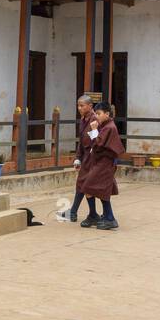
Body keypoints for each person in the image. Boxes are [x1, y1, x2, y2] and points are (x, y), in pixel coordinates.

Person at [79, 101, 124, 230]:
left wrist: (93, 129)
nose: (97, 116)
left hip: (105, 163)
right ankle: (100, 216)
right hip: (100, 162)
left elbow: (98, 144)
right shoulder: (105, 125)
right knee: (97, 189)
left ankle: (108, 217)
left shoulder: (110, 127)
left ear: (107, 114)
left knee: (91, 188)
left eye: (99, 114)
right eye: (96, 113)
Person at [67, 94, 98, 223]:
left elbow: (97, 140)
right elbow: (81, 140)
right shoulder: (84, 119)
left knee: (84, 184)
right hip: (85, 155)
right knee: (83, 184)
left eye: (82, 105)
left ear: (90, 106)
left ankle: (78, 212)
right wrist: (78, 158)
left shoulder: (95, 119)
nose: (79, 108)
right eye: (78, 106)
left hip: (93, 156)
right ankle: (80, 213)